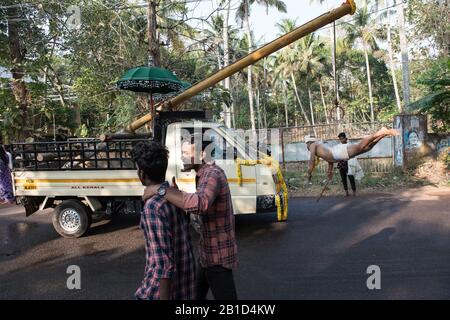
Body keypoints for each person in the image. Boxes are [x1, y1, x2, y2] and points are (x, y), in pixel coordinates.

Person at [142, 134, 238, 300]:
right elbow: (197, 209)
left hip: (218, 258)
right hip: (206, 255)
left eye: (186, 152)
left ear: (202, 155)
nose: (182, 156)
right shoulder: (202, 174)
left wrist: (160, 189)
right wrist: (175, 194)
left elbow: (200, 203)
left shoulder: (212, 174)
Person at [131, 141, 195, 300]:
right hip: (184, 288)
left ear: (142, 174)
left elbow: (163, 265)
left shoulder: (153, 208)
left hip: (158, 293)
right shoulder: (176, 196)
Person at [306, 127, 398, 182]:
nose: (306, 146)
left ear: (309, 142)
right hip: (337, 154)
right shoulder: (319, 147)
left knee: (361, 146)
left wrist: (309, 173)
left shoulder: (312, 145)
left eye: (306, 144)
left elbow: (311, 160)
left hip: (338, 152)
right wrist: (329, 172)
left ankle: (381, 131)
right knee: (366, 148)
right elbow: (330, 160)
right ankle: (383, 135)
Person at [0, 137, 15, 204]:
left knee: (3, 182)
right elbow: (6, 158)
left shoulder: (1, 148)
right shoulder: (1, 148)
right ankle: (7, 197)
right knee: (5, 181)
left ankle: (6, 198)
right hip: (4, 166)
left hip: (3, 166)